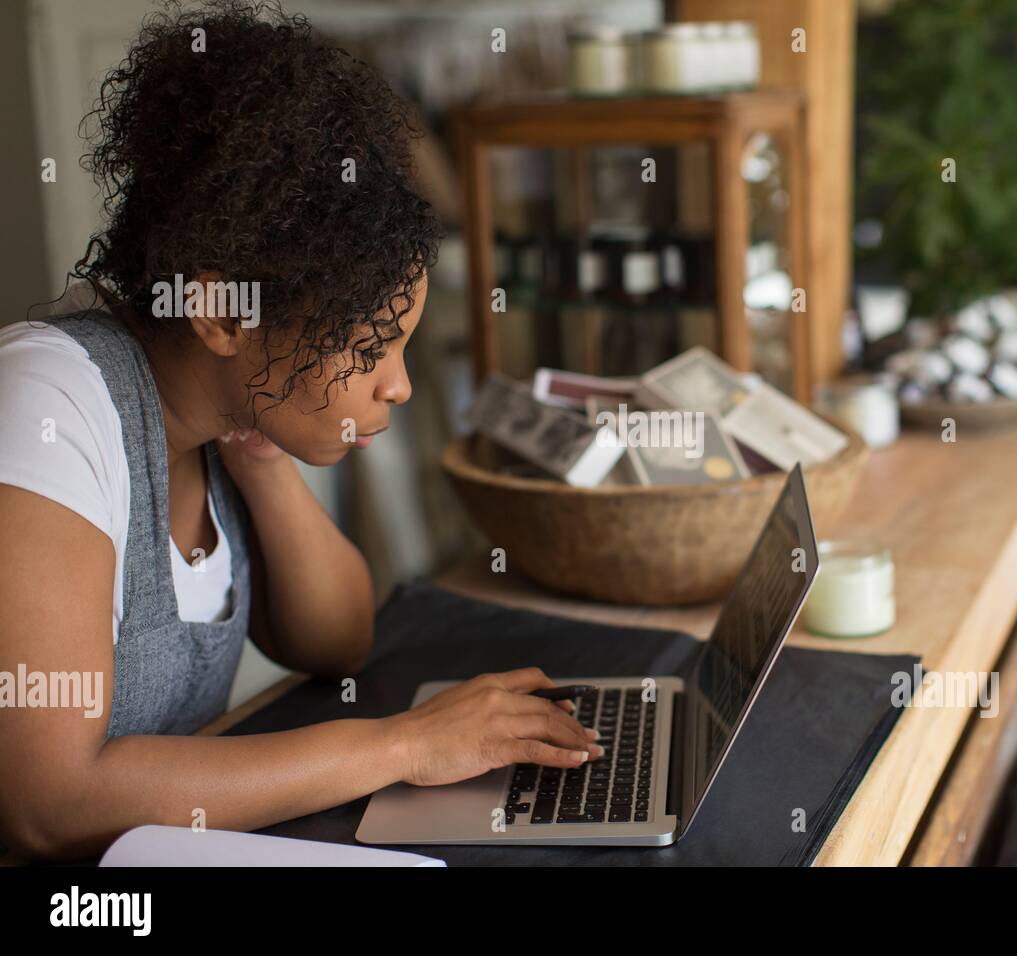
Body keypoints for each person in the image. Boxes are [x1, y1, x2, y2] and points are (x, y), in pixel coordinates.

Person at [0, 0, 600, 861]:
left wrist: (262, 461)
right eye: (367, 348)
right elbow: (47, 803)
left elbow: (337, 642)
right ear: (217, 310)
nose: (395, 385)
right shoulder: (50, 402)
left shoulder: (217, 414)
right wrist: (405, 745)